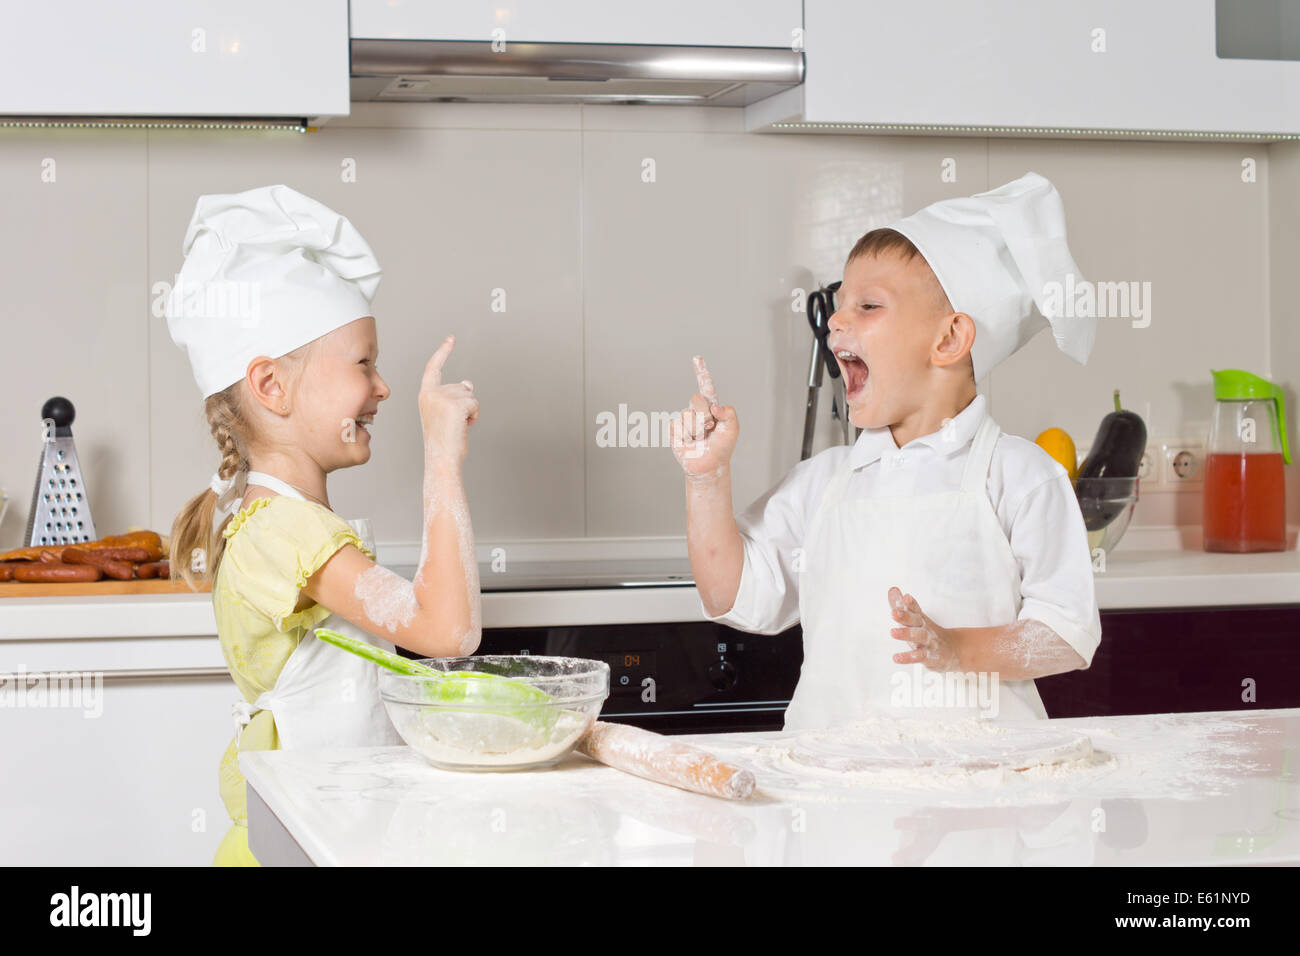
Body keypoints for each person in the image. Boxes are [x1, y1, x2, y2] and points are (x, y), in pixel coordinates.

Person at [671, 172, 1102, 730]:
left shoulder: (1019, 476)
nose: (836, 320)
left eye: (868, 306)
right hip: (838, 789)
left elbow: (1067, 634)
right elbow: (733, 595)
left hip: (979, 791)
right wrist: (706, 479)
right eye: (840, 303)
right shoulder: (823, 482)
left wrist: (958, 650)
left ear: (948, 339)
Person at [165, 184, 481, 865]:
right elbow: (447, 629)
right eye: (363, 362)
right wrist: (443, 458)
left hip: (320, 836)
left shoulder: (278, 522)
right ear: (271, 386)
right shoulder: (282, 532)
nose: (383, 385)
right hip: (304, 845)